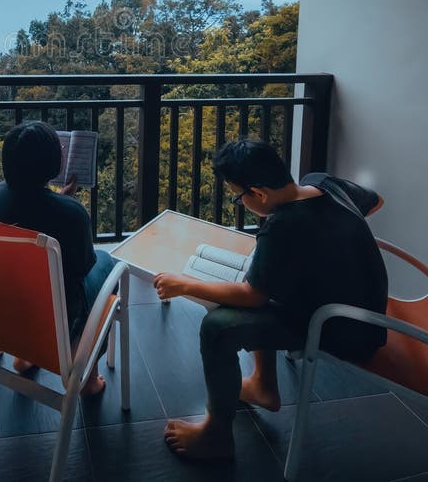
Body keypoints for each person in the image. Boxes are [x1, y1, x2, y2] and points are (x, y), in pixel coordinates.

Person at [154, 139, 388, 461]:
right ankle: (263, 385)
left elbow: (252, 296)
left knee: (218, 326)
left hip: (340, 328)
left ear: (259, 194)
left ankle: (216, 436)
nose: (240, 202)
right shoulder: (323, 183)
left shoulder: (284, 226)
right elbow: (375, 202)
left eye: (239, 196)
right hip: (367, 309)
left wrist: (186, 285)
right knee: (267, 278)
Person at [0, 120, 115, 395]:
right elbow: (84, 268)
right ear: (54, 165)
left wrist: (60, 200)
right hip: (55, 317)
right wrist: (66, 203)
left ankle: (25, 354)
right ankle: (88, 377)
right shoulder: (71, 214)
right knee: (106, 263)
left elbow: (29, 212)